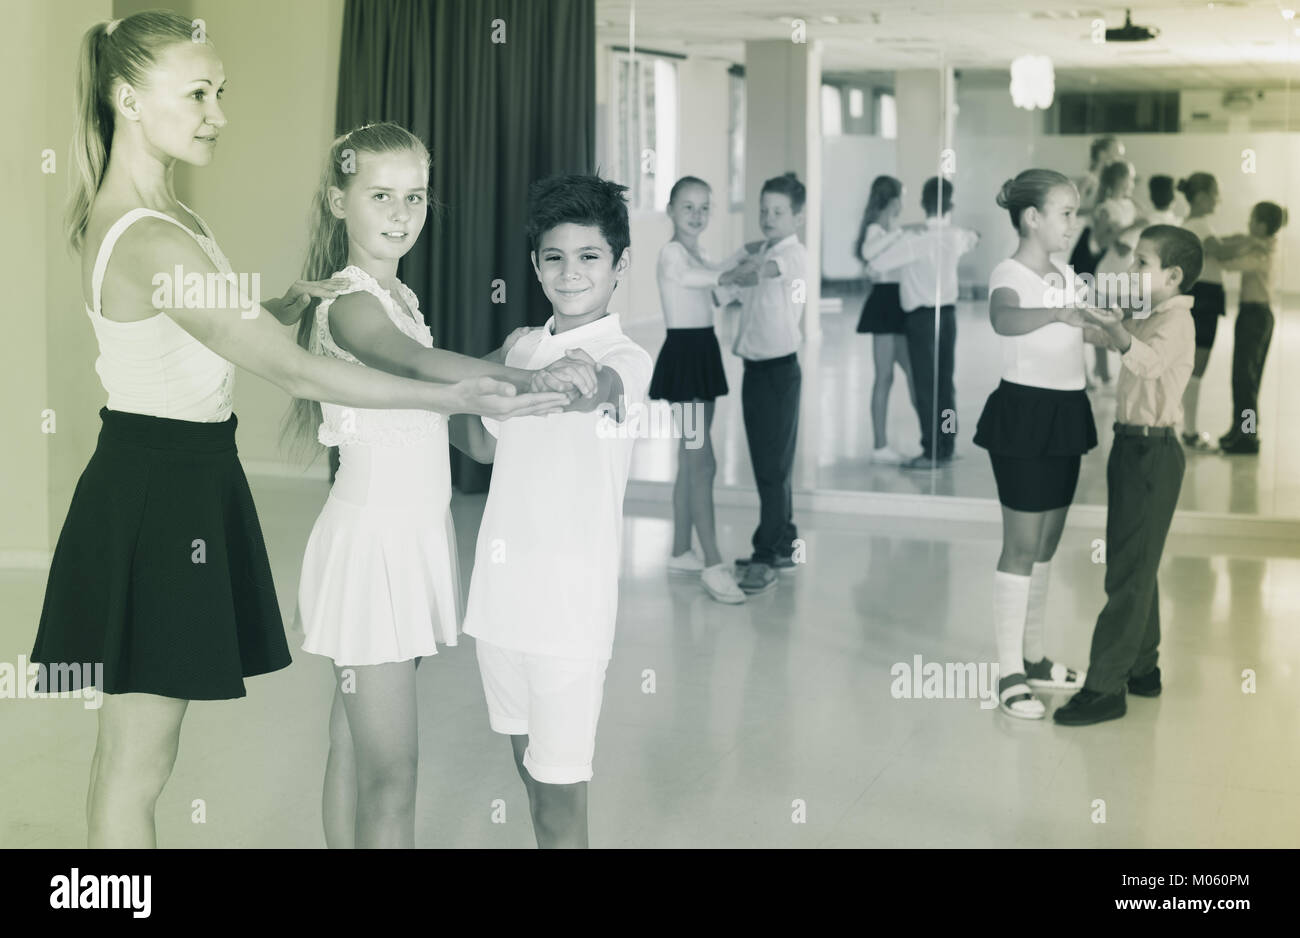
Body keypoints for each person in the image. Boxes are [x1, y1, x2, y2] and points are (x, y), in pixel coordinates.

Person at [30, 12, 568, 849]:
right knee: (139, 760)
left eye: (221, 93)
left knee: (133, 755)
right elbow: (295, 373)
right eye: (198, 93)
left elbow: (209, 332)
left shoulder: (166, 216)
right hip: (158, 485)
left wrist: (290, 305)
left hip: (177, 472)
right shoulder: (151, 237)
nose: (217, 112)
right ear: (128, 99)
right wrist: (468, 397)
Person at [284, 123, 595, 849]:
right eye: (380, 196)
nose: (400, 214)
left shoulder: (403, 300)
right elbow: (414, 369)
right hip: (373, 551)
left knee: (356, 750)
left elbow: (442, 407)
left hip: (411, 541)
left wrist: (521, 353)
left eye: (415, 197)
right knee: (393, 776)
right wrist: (528, 376)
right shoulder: (351, 304)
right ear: (338, 202)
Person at [451, 173, 653, 848]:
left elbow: (596, 388)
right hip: (500, 606)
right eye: (556, 257)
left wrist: (560, 378)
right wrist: (485, 380)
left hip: (569, 617)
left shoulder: (626, 356)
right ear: (537, 266)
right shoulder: (524, 347)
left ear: (620, 265)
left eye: (590, 256)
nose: (572, 273)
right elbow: (475, 440)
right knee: (532, 786)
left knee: (563, 803)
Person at [1055, 226, 1203, 725]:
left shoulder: (1176, 324)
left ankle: (1105, 687)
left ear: (1173, 276)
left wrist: (1116, 332)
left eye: (1142, 263)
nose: (1131, 270)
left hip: (1153, 455)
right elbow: (1114, 338)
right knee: (1135, 561)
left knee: (1126, 572)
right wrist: (1077, 319)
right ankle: (1142, 669)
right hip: (1132, 446)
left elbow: (1148, 363)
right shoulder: (1153, 314)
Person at [973, 170, 1096, 718]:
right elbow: (1001, 318)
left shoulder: (1068, 273)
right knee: (1021, 546)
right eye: (1066, 212)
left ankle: (1036, 656)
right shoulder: (1010, 271)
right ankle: (1008, 674)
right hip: (1023, 414)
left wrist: (1103, 323)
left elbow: (1077, 331)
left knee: (1046, 545)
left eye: (1074, 212)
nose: (1074, 223)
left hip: (1067, 410)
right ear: (1032, 218)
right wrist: (1057, 309)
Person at [650, 175, 748, 603]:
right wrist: (735, 267)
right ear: (671, 210)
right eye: (687, 206)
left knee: (691, 460)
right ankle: (712, 563)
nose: (696, 215)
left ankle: (679, 551)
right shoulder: (673, 254)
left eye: (704, 207)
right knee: (701, 462)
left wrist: (742, 269)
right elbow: (695, 280)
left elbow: (715, 294)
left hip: (703, 351)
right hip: (686, 360)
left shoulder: (702, 253)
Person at [729, 173, 809, 595]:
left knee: (773, 466)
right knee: (769, 463)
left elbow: (767, 268)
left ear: (798, 216)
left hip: (779, 372)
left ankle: (766, 556)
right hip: (755, 371)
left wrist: (746, 259)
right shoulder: (764, 252)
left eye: (778, 212)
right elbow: (739, 283)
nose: (768, 217)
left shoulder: (793, 256)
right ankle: (782, 541)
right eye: (763, 210)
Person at [866, 176, 979, 470]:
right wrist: (971, 234)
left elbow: (874, 264)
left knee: (927, 386)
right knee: (946, 385)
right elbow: (973, 238)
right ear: (951, 205)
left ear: (922, 204)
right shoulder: (955, 236)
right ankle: (947, 444)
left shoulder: (915, 240)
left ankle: (931, 451)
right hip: (949, 319)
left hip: (921, 321)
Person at [1177, 173, 1263, 452]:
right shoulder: (1199, 225)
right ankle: (1189, 433)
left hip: (1204, 300)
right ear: (1202, 197)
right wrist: (1252, 240)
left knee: (1195, 368)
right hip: (1203, 301)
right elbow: (1221, 252)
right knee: (1197, 369)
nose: (1219, 199)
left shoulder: (1198, 225)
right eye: (1216, 193)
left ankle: (1188, 430)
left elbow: (1218, 245)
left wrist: (1240, 239)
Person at [853, 174, 919, 464]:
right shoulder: (875, 230)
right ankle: (880, 446)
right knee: (885, 376)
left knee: (915, 375)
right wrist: (902, 233)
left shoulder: (890, 229)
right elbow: (869, 254)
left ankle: (934, 439)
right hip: (884, 304)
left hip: (899, 303)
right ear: (893, 201)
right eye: (901, 197)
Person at [1216, 201, 1288, 455]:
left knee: (1246, 379)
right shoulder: (1259, 245)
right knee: (1241, 377)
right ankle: (1239, 428)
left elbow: (1230, 264)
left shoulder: (1263, 252)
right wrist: (1244, 240)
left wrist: (1239, 244)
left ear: (1262, 225)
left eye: (1252, 219)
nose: (1248, 223)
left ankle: (1248, 436)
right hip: (1252, 314)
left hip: (1256, 316)